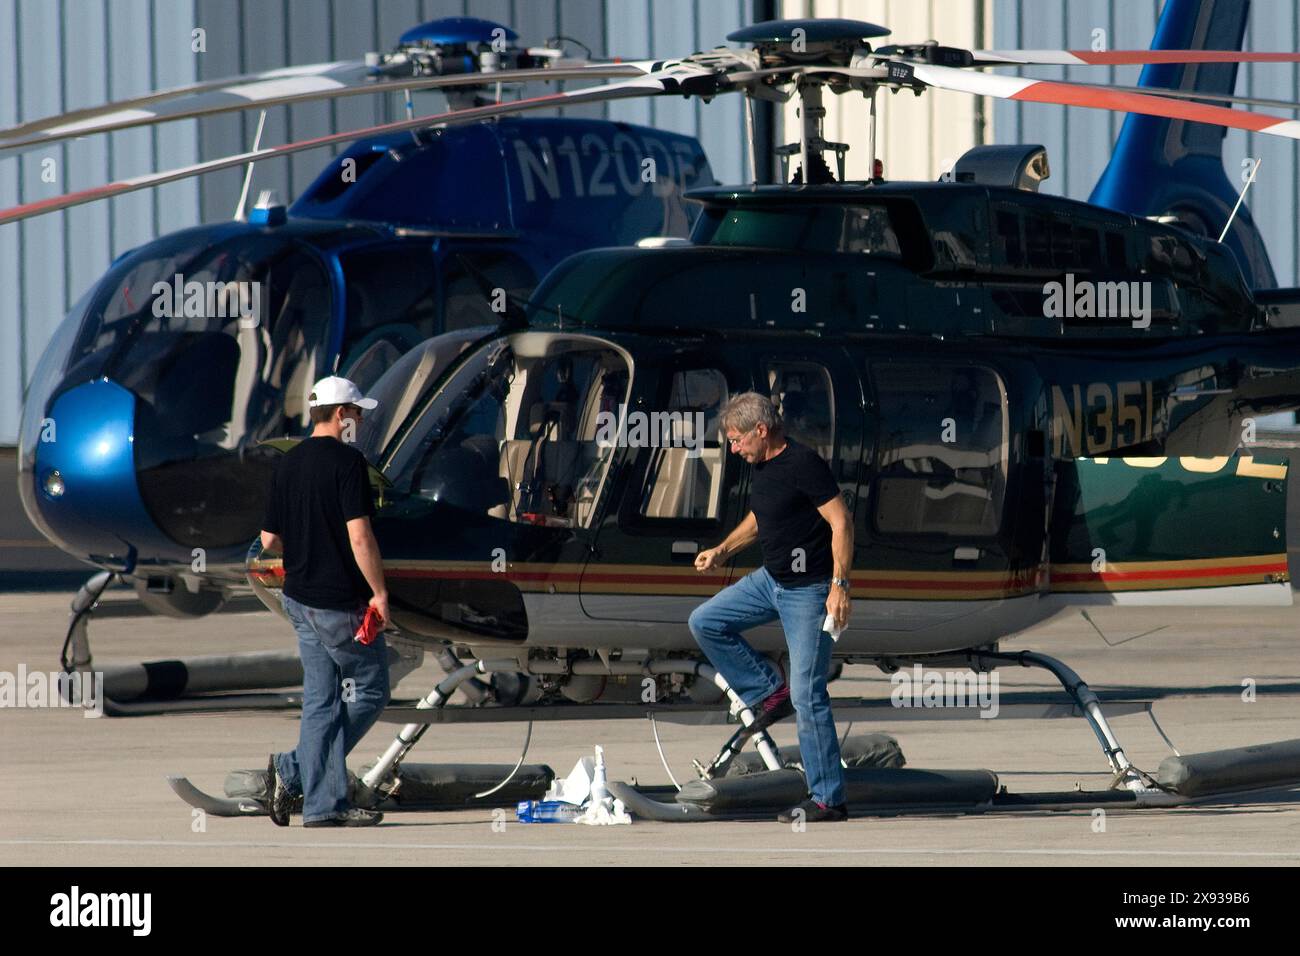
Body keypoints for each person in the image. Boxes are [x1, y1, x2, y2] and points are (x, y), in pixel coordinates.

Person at [689, 391, 854, 822]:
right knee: (706, 621)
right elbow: (762, 517)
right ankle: (768, 690)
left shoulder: (803, 464)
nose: (733, 447)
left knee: (809, 695)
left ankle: (827, 799)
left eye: (737, 438)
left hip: (809, 591)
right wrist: (723, 550)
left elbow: (841, 521)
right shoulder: (763, 467)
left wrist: (839, 586)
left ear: (761, 431)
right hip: (770, 581)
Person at [260, 376, 392, 827]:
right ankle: (298, 774)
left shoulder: (287, 464)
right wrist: (379, 592)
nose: (359, 421)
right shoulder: (349, 463)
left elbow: (269, 539)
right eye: (357, 413)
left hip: (297, 598)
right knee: (372, 689)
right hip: (339, 603)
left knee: (321, 701)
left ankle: (319, 802)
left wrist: (306, 550)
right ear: (341, 415)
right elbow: (360, 535)